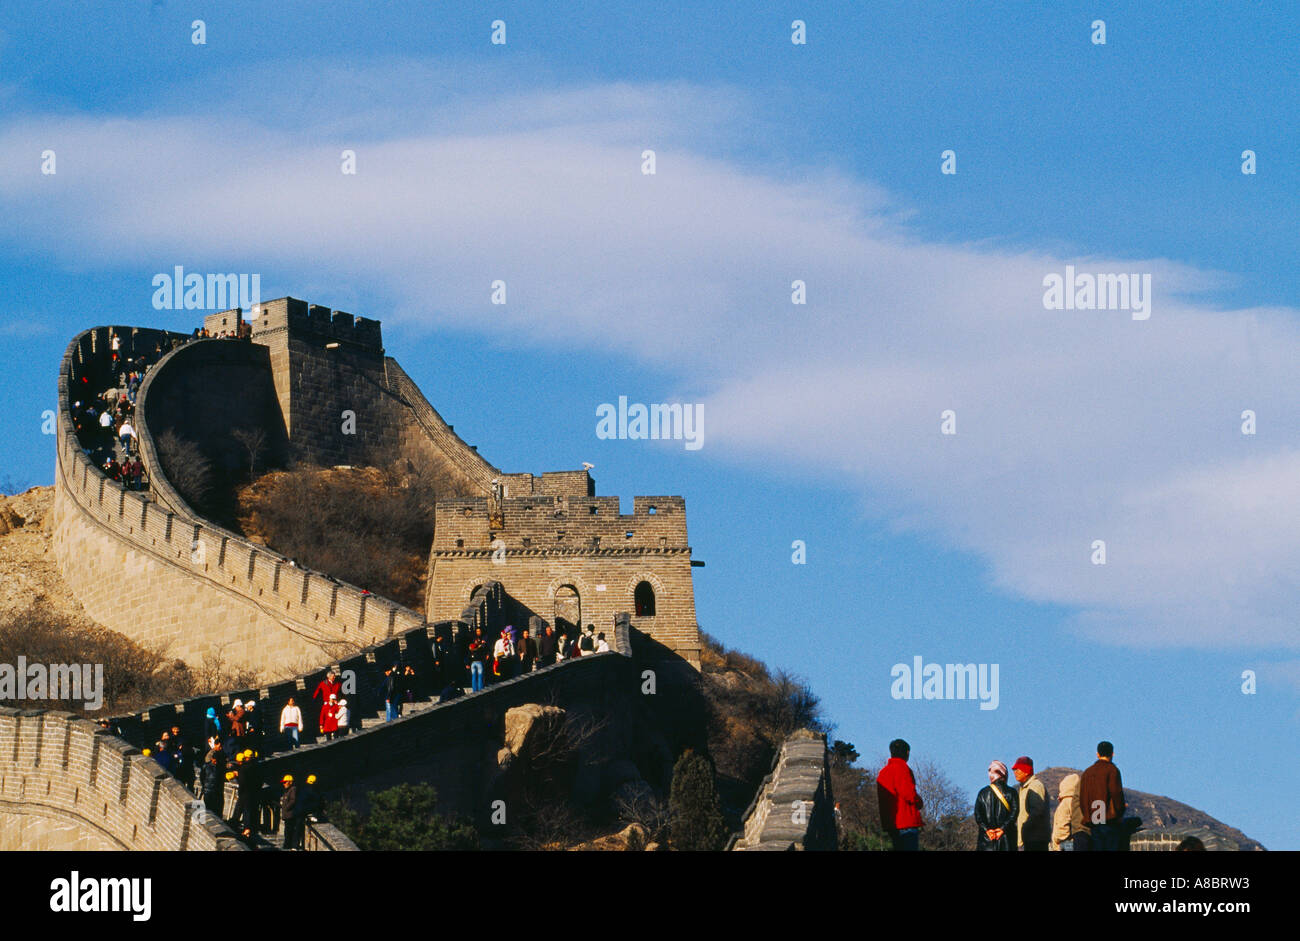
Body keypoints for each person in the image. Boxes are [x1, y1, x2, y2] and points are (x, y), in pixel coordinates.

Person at [876, 738, 923, 851]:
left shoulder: (883, 772)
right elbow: (909, 794)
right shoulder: (902, 769)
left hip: (891, 824)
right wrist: (919, 801)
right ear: (907, 753)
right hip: (906, 823)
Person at [1079, 741, 1125, 852]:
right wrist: (1120, 812)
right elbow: (1116, 793)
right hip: (1109, 819)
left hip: (1094, 817)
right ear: (1112, 754)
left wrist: (1087, 815)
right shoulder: (1112, 770)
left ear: (1098, 754)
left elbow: (1082, 798)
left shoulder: (1088, 772)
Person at [974, 760, 1018, 851]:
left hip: (986, 841)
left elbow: (978, 815)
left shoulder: (982, 793)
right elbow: (1014, 813)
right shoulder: (1012, 792)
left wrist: (987, 830)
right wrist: (1002, 829)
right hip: (1007, 839)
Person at [1012, 756, 1050, 851]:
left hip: (1035, 839)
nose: (1015, 772)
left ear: (1026, 770)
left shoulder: (1035, 786)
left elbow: (1037, 812)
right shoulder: (1025, 788)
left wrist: (1025, 828)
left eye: (1018, 769)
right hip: (1030, 839)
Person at [1051, 772, 1088, 851]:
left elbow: (1062, 824)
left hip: (1065, 845)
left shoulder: (1065, 803)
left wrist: (1059, 840)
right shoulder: (1080, 802)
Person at [313, 672, 342, 737]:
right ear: (329, 677)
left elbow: (341, 692)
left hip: (335, 703)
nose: (334, 677)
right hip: (327, 703)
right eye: (333, 676)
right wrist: (314, 699)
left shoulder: (337, 684)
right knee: (326, 716)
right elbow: (317, 692)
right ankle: (328, 730)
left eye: (334, 676)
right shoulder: (323, 684)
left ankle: (335, 729)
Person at [280, 775, 301, 850]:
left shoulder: (293, 789)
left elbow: (293, 800)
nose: (284, 784)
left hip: (290, 815)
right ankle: (287, 845)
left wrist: (286, 808)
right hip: (287, 815)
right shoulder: (286, 790)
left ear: (290, 782)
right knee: (287, 831)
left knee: (290, 830)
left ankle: (291, 845)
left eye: (285, 782)